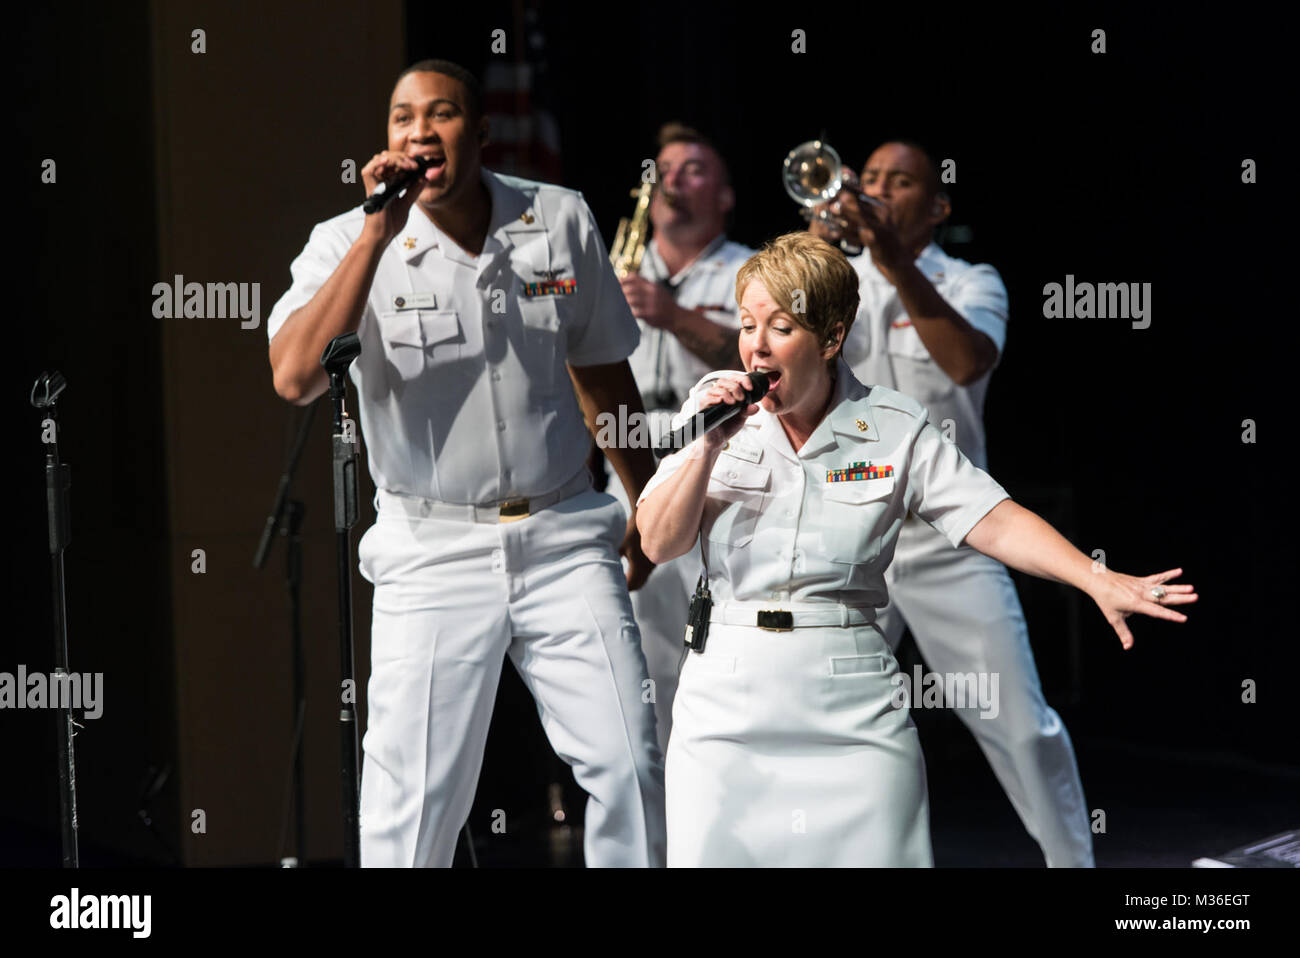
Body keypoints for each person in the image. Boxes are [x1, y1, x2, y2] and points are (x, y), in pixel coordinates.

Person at [635, 232, 1195, 867]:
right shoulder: (717, 408)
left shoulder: (896, 427)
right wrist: (706, 444)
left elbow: (996, 519)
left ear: (831, 337)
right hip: (724, 711)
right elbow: (658, 539)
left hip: (850, 711)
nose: (755, 345)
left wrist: (1096, 578)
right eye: (746, 325)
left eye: (780, 327)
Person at [265, 59, 665, 867]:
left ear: (478, 134)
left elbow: (601, 374)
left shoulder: (557, 218)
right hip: (432, 549)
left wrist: (648, 508)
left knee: (633, 764)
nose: (419, 130)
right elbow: (296, 377)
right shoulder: (346, 240)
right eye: (402, 117)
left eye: (440, 114)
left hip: (563, 534)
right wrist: (379, 232)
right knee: (411, 807)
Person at [808, 139, 1095, 866]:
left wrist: (893, 264)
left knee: (1022, 728)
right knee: (821, 728)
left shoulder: (973, 281)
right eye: (866, 178)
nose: (874, 191)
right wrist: (812, 256)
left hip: (950, 538)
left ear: (936, 206)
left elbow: (967, 362)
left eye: (898, 182)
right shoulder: (834, 281)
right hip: (850, 537)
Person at [609, 123, 753, 755]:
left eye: (694, 169)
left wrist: (670, 314)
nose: (673, 179)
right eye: (664, 168)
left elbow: (757, 362)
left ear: (724, 195)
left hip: (715, 472)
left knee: (711, 651)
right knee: (637, 662)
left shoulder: (750, 270)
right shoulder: (617, 270)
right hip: (625, 467)